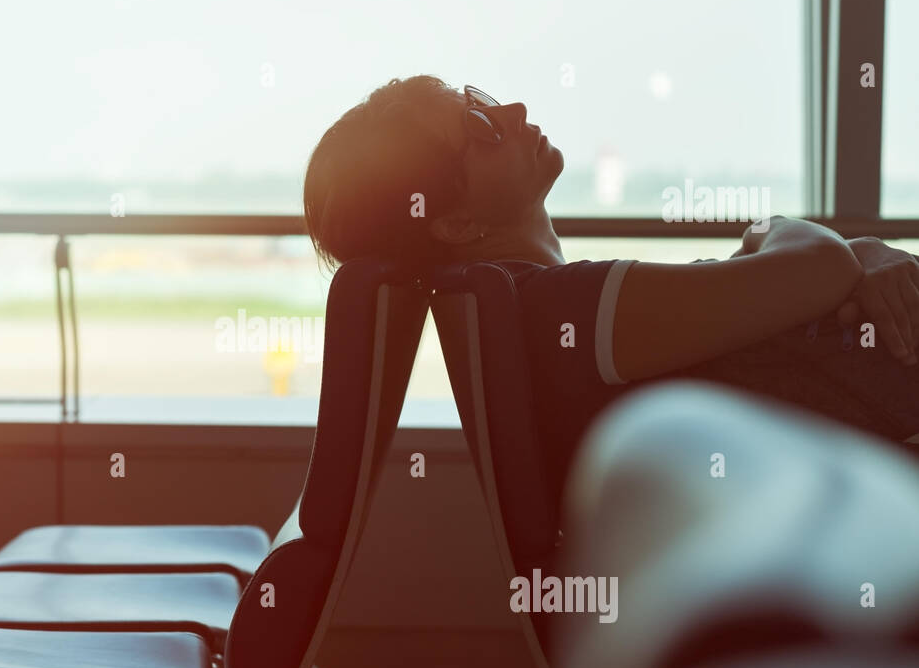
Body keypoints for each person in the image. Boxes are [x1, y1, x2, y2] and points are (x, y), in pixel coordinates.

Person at [303, 75, 919, 509]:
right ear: (458, 225)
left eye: (479, 97)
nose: (512, 110)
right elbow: (816, 265)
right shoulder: (563, 308)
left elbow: (781, 259)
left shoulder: (536, 309)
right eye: (481, 125)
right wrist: (847, 252)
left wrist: (845, 256)